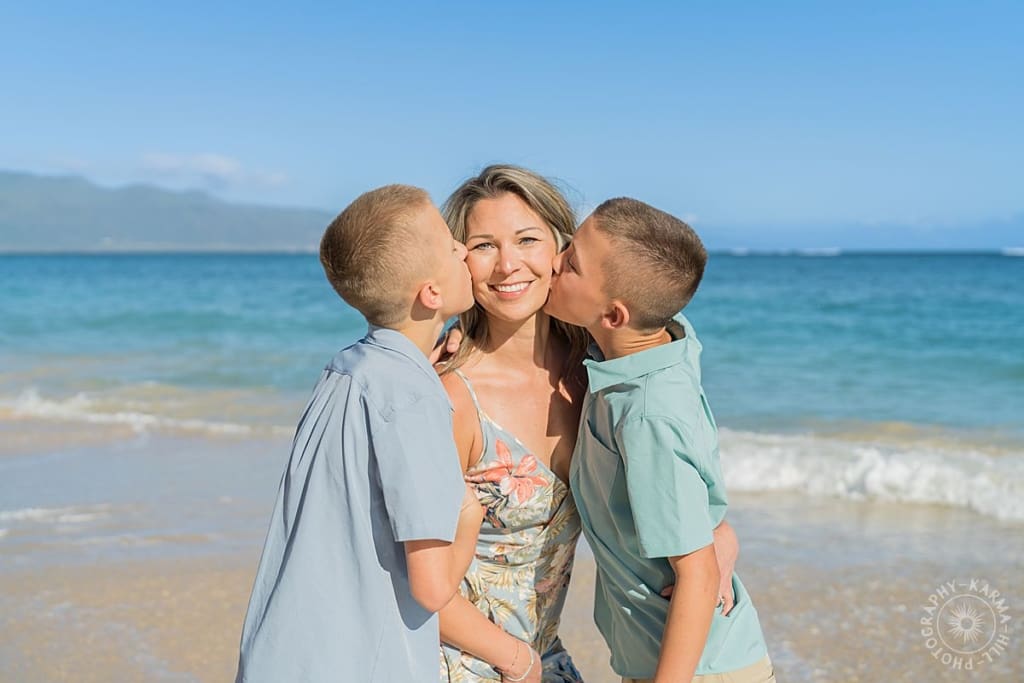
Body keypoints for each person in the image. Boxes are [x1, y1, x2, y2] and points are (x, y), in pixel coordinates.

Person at [434, 168, 741, 683]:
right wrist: (517, 661)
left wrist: (716, 544)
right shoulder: (448, 397)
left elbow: (677, 464)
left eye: (527, 239)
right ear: (458, 258)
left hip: (542, 656)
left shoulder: (602, 373)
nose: (509, 264)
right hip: (459, 662)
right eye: (483, 245)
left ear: (562, 248)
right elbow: (412, 577)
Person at [235, 184, 485, 683]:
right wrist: (469, 514)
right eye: (451, 244)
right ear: (431, 293)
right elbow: (432, 590)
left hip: (283, 653)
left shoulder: (348, 368)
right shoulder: (414, 399)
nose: (463, 248)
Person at [544, 198, 773, 683]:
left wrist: (716, 547)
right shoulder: (665, 335)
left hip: (692, 671)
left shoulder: (644, 417)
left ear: (614, 315)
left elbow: (696, 573)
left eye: (571, 264)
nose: (553, 260)